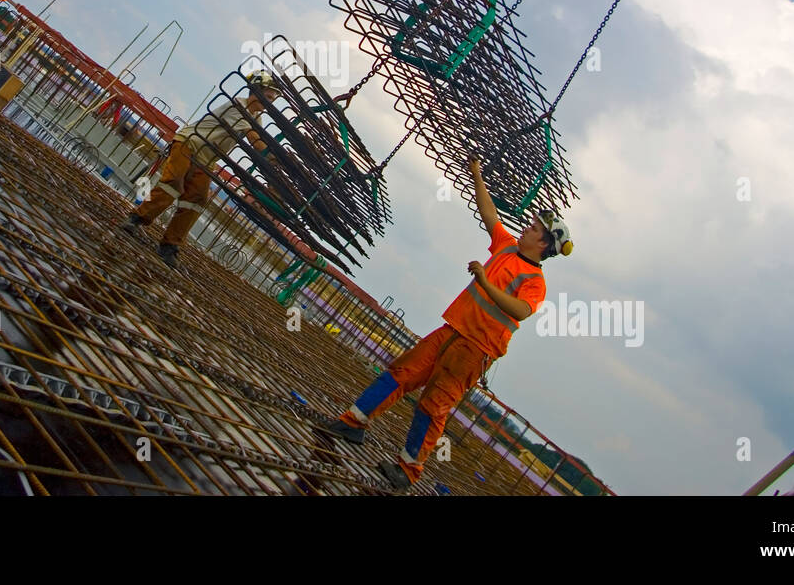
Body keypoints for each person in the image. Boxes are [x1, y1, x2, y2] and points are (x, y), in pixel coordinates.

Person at [315, 156, 573, 490]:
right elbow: (489, 214)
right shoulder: (507, 247)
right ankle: (354, 423)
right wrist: (477, 175)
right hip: (452, 331)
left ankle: (408, 471)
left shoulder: (535, 280)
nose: (527, 227)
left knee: (434, 404)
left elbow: (522, 311)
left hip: (474, 350)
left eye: (535, 228)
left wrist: (484, 282)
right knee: (402, 372)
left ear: (544, 244)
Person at [119, 70, 282, 268]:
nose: (268, 104)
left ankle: (169, 245)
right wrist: (278, 159)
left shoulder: (256, 115)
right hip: (190, 143)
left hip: (206, 159)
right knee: (173, 184)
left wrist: (274, 160)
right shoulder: (238, 106)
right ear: (254, 90)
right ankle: (136, 219)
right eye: (267, 97)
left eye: (272, 100)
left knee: (197, 198)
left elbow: (258, 139)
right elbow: (254, 138)